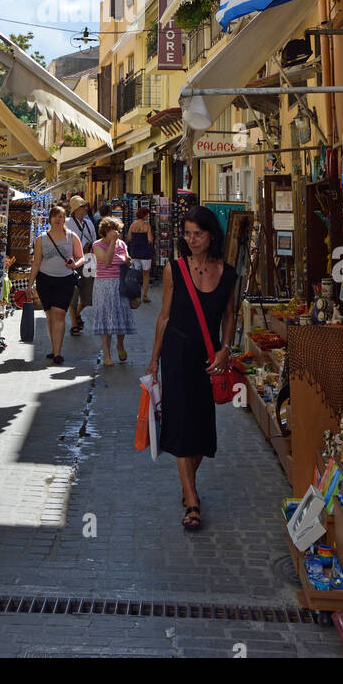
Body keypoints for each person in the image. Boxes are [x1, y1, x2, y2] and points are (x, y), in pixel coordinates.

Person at [146, 205, 237, 531]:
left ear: (211, 234)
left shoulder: (227, 274)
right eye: (187, 234)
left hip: (208, 358)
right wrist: (154, 360)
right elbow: (164, 316)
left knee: (200, 428)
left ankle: (189, 483)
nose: (191, 239)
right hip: (176, 351)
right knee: (180, 422)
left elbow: (229, 315)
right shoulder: (175, 269)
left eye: (197, 233)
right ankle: (192, 498)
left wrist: (226, 349)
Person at [28, 205, 84, 366]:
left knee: (59, 314)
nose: (58, 220)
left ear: (64, 218)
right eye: (55, 216)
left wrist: (74, 265)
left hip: (65, 280)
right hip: (45, 280)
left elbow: (81, 257)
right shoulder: (41, 239)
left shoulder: (71, 236)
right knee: (50, 316)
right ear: (50, 219)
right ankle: (54, 348)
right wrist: (30, 285)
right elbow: (36, 262)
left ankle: (58, 353)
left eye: (61, 216)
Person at [91, 216, 137, 366]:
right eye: (113, 230)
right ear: (105, 231)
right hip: (103, 286)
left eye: (117, 230)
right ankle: (107, 354)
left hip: (120, 286)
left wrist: (128, 260)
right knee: (106, 320)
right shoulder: (97, 245)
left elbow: (127, 261)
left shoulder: (122, 244)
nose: (116, 233)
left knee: (121, 318)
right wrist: (112, 243)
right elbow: (106, 260)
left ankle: (120, 344)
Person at [66, 194, 97, 336]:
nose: (86, 208)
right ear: (76, 209)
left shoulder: (89, 222)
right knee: (73, 293)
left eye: (85, 206)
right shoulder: (67, 223)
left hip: (90, 259)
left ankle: (77, 314)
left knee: (88, 294)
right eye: (83, 206)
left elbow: (95, 241)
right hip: (74, 260)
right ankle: (73, 324)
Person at [126, 207, 155, 303]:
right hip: (145, 253)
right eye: (147, 214)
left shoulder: (132, 225)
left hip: (135, 252)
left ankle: (136, 295)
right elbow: (150, 239)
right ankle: (145, 296)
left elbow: (129, 238)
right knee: (146, 274)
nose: (148, 216)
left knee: (136, 274)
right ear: (144, 215)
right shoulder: (147, 226)